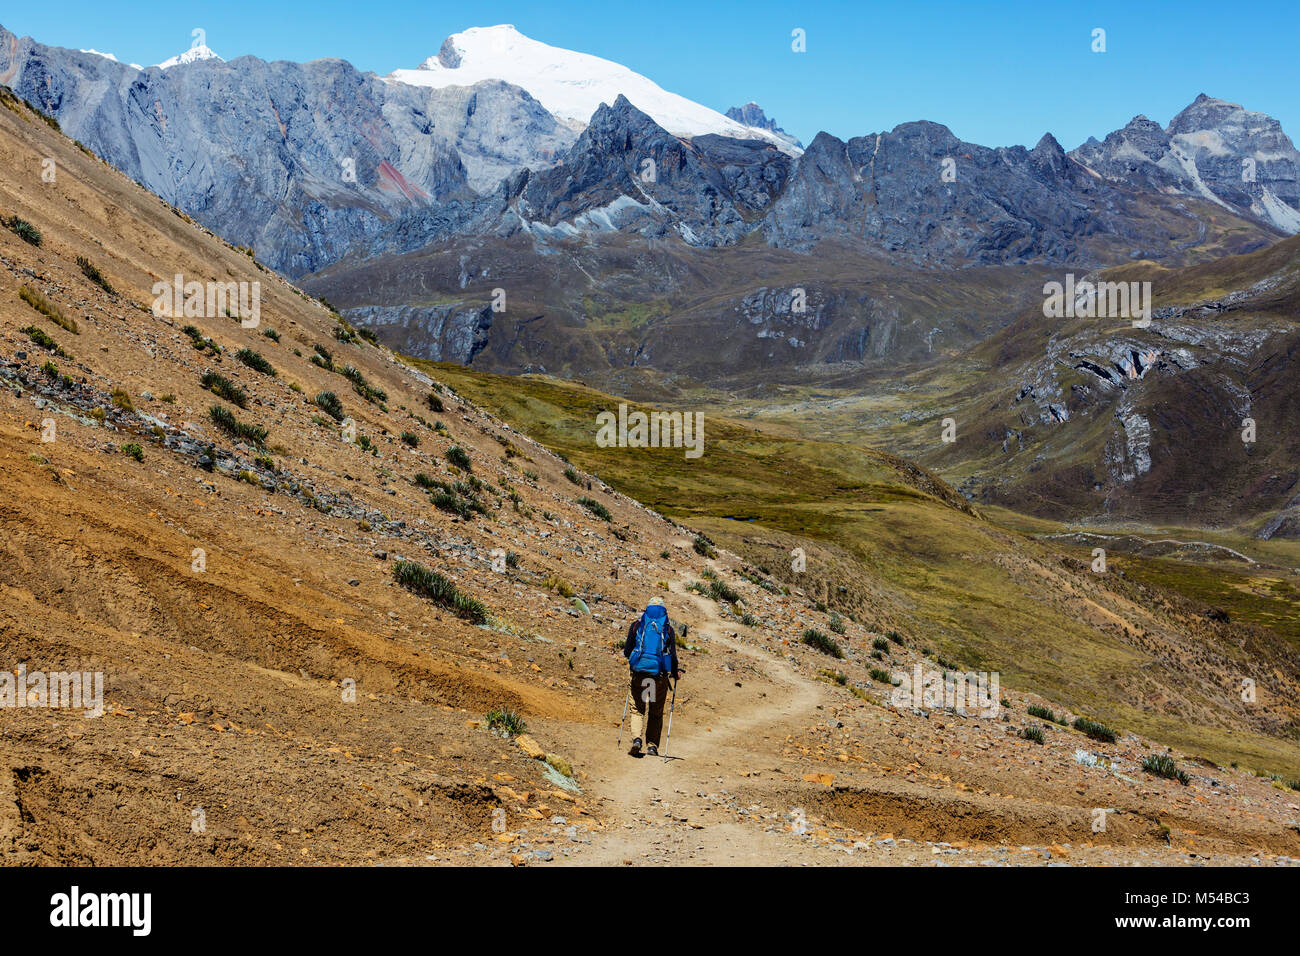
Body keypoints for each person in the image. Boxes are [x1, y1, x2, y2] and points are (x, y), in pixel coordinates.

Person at [622, 597, 682, 757]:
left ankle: (636, 739)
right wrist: (675, 672)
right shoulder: (667, 630)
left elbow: (627, 651)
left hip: (639, 675)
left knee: (637, 708)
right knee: (655, 711)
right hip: (658, 678)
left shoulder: (637, 626)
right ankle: (652, 746)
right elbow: (673, 657)